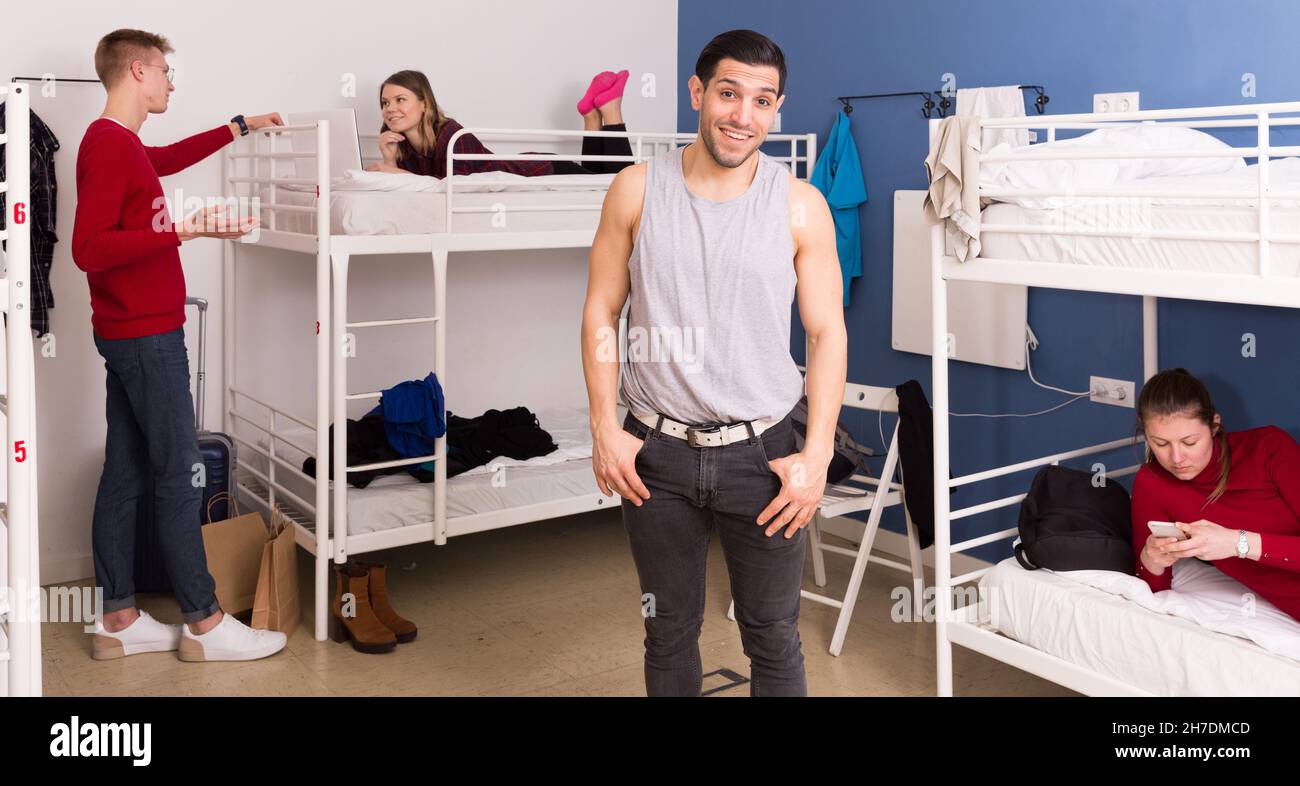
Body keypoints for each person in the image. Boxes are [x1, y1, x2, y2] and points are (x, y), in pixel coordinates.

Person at [580, 29, 848, 696]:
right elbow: (599, 312)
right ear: (698, 93)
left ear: (776, 108)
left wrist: (814, 458)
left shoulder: (801, 207)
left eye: (762, 101)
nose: (742, 116)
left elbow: (828, 335)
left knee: (773, 636)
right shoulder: (635, 189)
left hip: (763, 454)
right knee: (666, 631)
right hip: (657, 455)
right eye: (729, 94)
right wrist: (602, 426)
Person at [72, 28, 288, 661]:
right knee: (178, 475)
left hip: (130, 334)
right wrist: (184, 232)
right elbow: (90, 249)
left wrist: (237, 127)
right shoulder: (110, 145)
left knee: (126, 473)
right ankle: (204, 622)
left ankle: (117, 618)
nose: (172, 82)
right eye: (166, 71)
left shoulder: (120, 144)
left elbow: (165, 159)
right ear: (138, 70)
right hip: (146, 338)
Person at [1132, 368, 1300, 622]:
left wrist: (1236, 543)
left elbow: (1237, 544)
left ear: (1214, 425)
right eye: (1161, 444)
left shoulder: (1269, 448)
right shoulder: (1153, 483)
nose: (1176, 459)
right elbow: (1153, 590)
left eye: (1189, 442)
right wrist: (1151, 559)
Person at [365, 68, 635, 178]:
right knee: (599, 181)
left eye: (400, 100)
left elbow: (454, 188)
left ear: (425, 104)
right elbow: (406, 192)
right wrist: (390, 162)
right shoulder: (401, 146)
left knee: (616, 187)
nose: (391, 109)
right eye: (385, 103)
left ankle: (610, 110)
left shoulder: (452, 135)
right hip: (533, 167)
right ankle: (591, 116)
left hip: (539, 171)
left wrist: (400, 174)